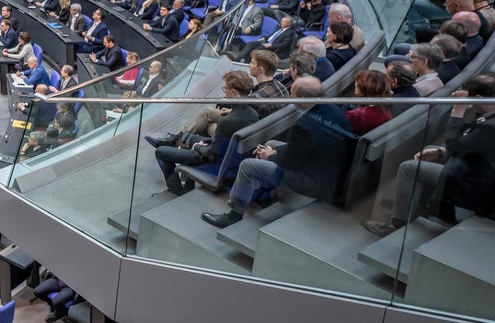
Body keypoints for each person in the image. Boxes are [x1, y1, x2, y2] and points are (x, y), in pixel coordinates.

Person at [203, 77, 355, 228]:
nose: (290, 97)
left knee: (248, 166)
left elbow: (289, 163)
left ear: (302, 99)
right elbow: (302, 148)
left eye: (292, 94)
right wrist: (272, 150)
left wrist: (270, 155)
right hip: (328, 168)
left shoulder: (304, 126)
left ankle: (234, 215)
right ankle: (263, 194)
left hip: (316, 181)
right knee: (271, 144)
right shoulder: (333, 109)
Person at [365, 72, 495, 235]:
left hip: (474, 182)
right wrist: (440, 152)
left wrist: (458, 110)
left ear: (478, 98)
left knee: (408, 168)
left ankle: (397, 224)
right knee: (430, 149)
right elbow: (471, 142)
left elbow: (455, 144)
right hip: (474, 166)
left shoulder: (490, 126)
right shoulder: (489, 118)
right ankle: (419, 211)